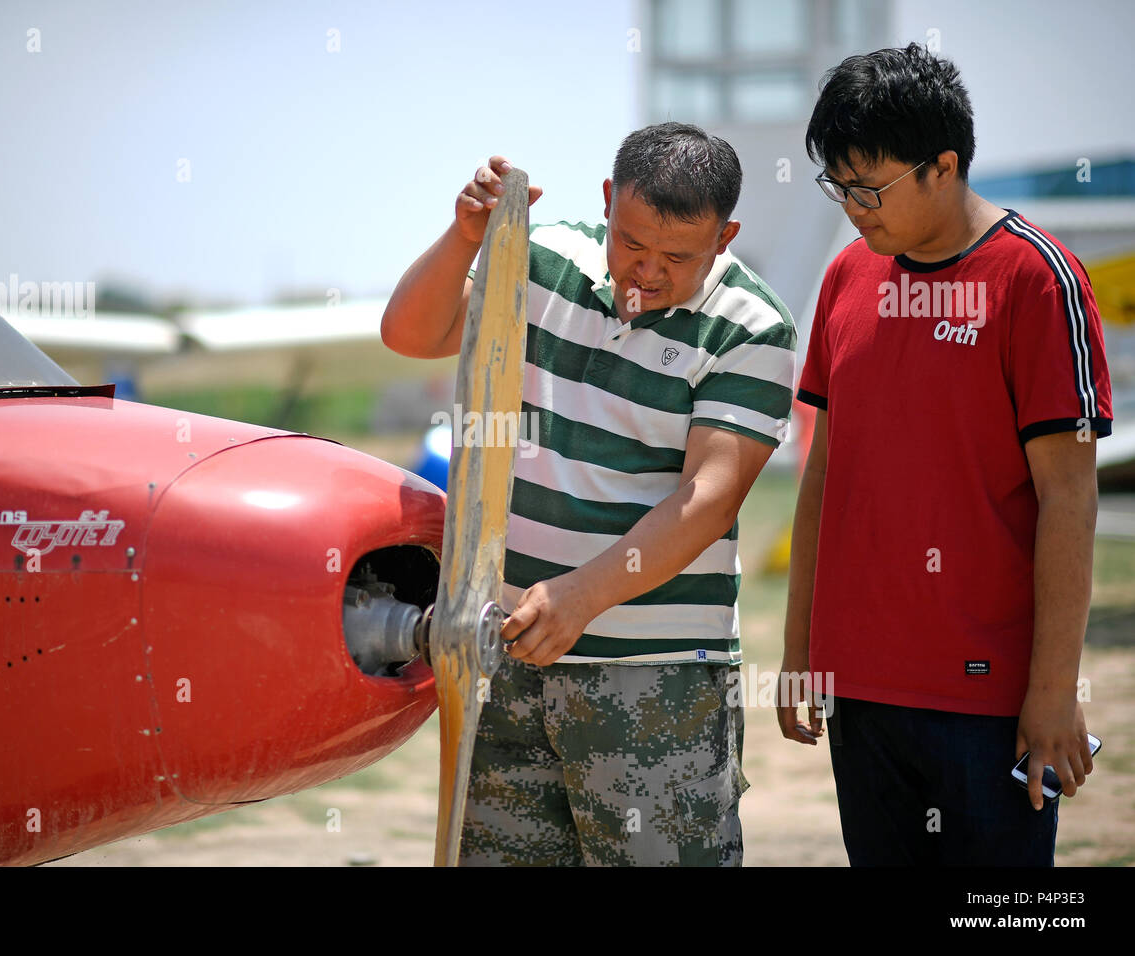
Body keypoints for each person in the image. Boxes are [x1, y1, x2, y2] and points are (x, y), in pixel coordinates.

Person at [381, 122, 796, 865]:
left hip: (656, 684)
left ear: (726, 234)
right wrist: (465, 236)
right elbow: (411, 333)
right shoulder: (540, 260)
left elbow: (710, 497)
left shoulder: (753, 327)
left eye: (678, 256)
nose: (647, 270)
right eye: (632, 242)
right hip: (507, 658)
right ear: (607, 201)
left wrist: (582, 597)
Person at [777, 44, 1112, 866]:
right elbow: (824, 470)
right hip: (862, 690)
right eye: (838, 186)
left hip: (990, 699)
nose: (853, 208)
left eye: (871, 187)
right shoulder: (846, 278)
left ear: (945, 165)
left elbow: (1070, 498)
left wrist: (1051, 693)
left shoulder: (1039, 282)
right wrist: (798, 654)